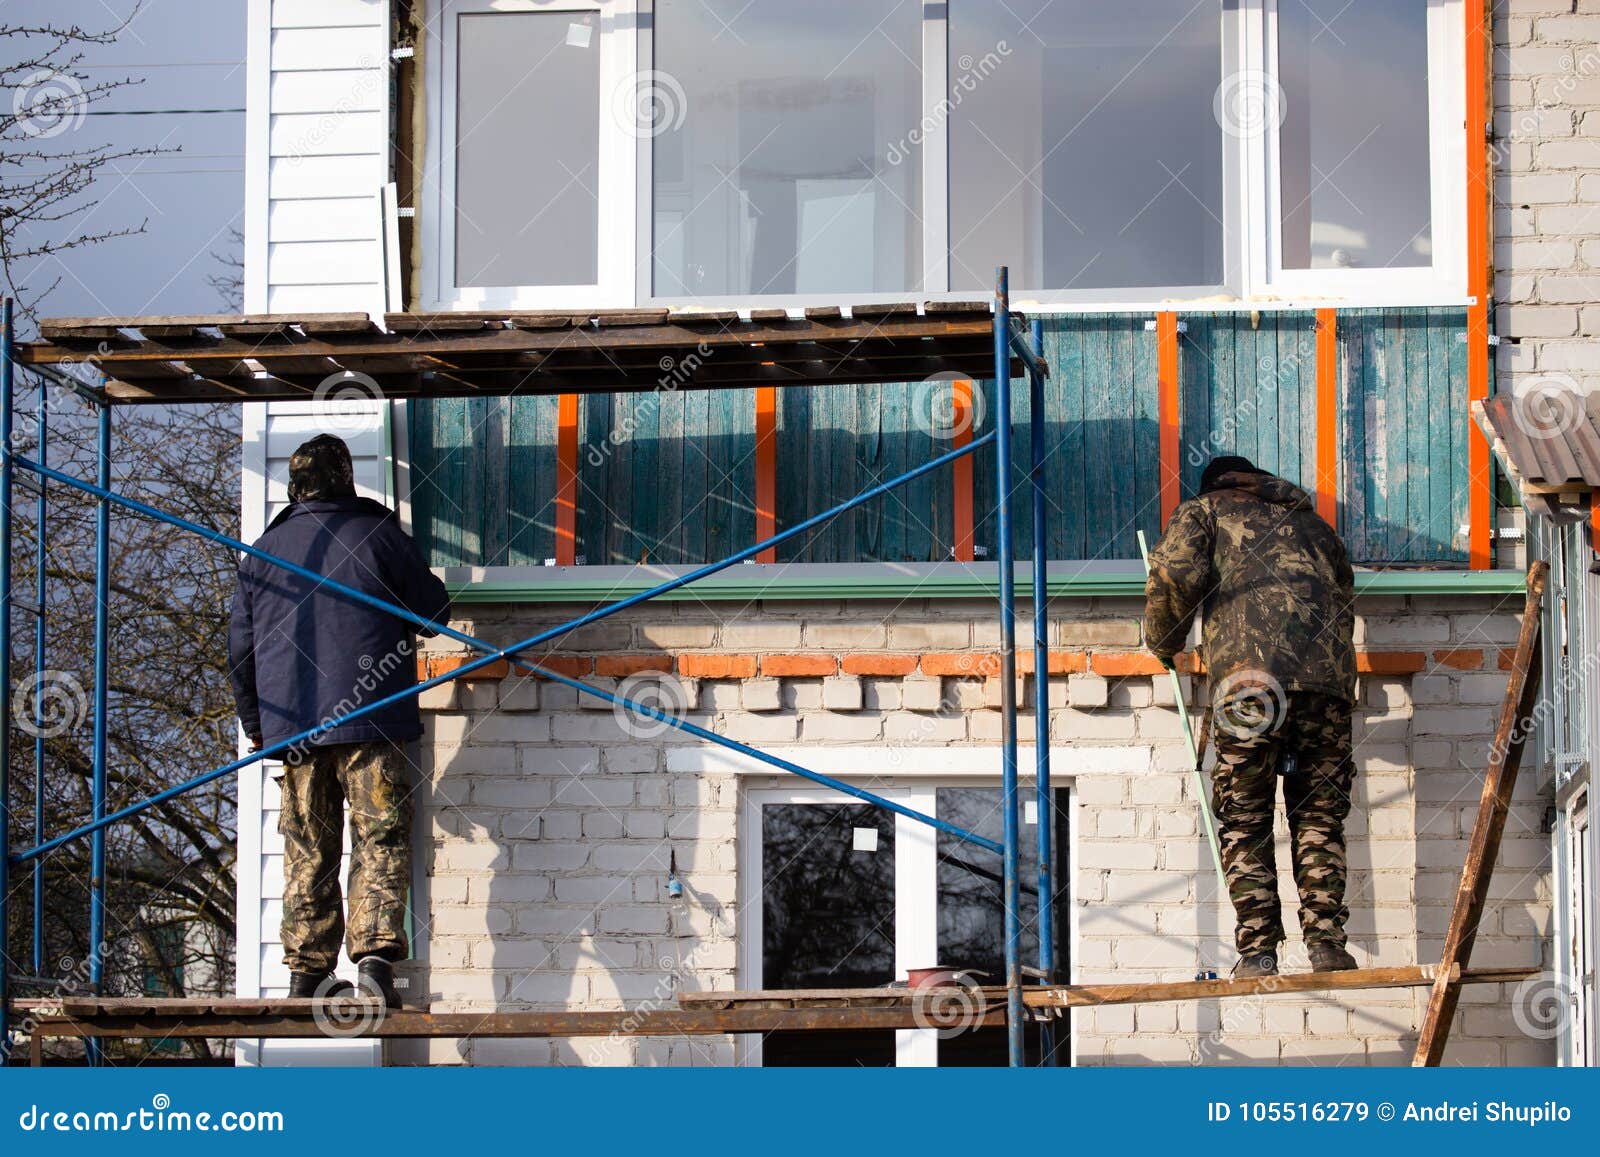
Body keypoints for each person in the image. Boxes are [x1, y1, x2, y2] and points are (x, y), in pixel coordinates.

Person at [229, 434, 450, 1006]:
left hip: (294, 724)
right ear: (347, 478)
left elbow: (241, 652)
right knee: (379, 835)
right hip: (372, 718)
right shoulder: (376, 535)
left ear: (295, 485)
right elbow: (433, 614)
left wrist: (258, 723)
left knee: (309, 844)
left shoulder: (264, 551)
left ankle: (307, 973)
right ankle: (376, 962)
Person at [1143, 454, 1358, 979]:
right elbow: (1345, 597)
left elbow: (1173, 578)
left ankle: (1260, 952)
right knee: (1319, 815)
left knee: (1245, 815)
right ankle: (1328, 945)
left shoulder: (1203, 513)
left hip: (1250, 686)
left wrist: (1162, 641)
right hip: (1326, 689)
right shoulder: (1316, 527)